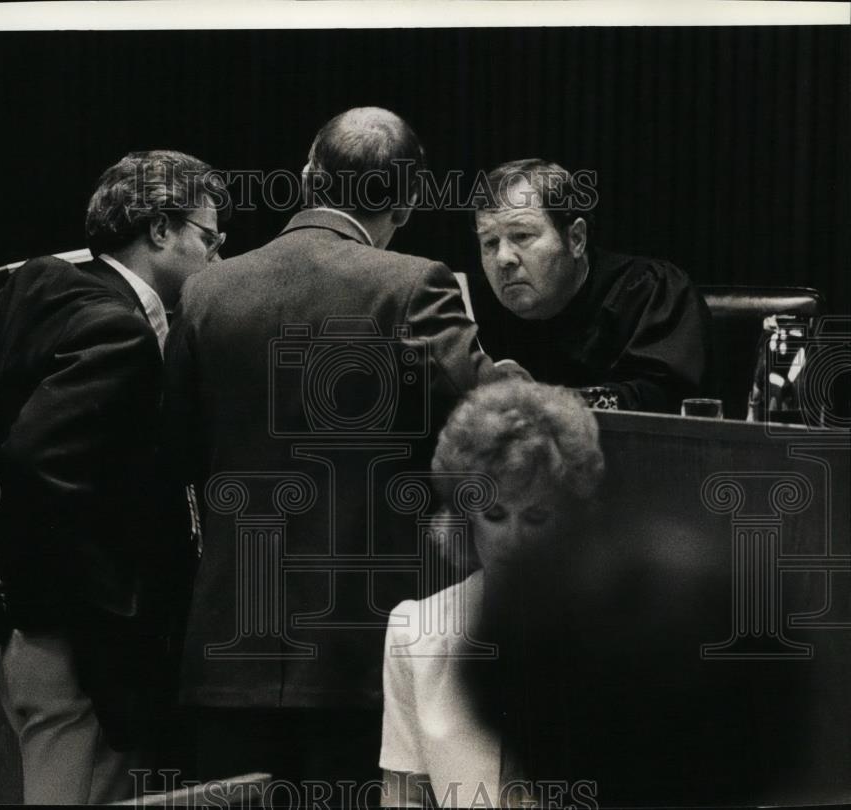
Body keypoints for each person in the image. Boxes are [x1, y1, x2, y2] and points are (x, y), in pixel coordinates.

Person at [162, 107, 525, 795]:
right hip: (355, 648)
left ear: (306, 176)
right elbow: (494, 432)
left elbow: (173, 453)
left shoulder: (207, 289)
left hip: (229, 641)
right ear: (412, 199)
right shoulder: (415, 286)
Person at [0, 150, 228, 804]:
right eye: (209, 237)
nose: (218, 256)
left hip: (26, 634)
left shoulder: (43, 289)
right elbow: (34, 465)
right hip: (75, 645)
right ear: (159, 231)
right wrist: (110, 613)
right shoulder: (118, 327)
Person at [379, 379, 605, 808]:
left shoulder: (613, 632)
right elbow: (404, 797)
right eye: (495, 514)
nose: (513, 539)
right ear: (465, 517)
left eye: (536, 516)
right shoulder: (414, 630)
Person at [469, 158, 712, 413]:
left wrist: (545, 402)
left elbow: (663, 403)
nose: (504, 258)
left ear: (576, 239)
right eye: (490, 243)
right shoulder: (471, 308)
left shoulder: (650, 291)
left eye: (522, 236)